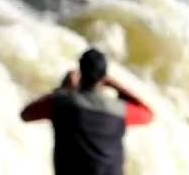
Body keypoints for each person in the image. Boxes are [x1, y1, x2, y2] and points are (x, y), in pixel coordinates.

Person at [19, 48, 154, 175]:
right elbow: (147, 114)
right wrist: (113, 84)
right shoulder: (118, 111)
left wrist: (64, 90)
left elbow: (26, 114)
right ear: (103, 76)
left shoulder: (62, 103)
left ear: (81, 71)